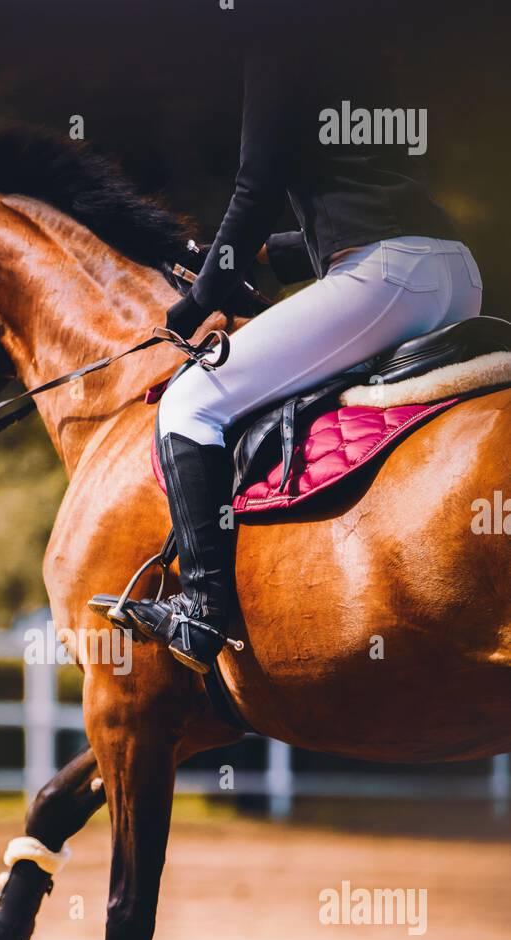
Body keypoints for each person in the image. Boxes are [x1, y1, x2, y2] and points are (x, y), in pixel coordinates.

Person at [103, 29, 482, 674]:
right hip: (453, 272)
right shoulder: (367, 50)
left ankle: (198, 611)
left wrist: (201, 301)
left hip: (384, 276)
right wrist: (265, 259)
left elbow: (256, 185)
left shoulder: (275, 43)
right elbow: (368, 195)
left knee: (190, 405)